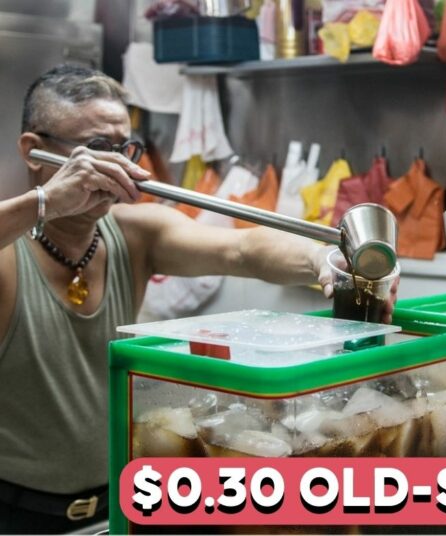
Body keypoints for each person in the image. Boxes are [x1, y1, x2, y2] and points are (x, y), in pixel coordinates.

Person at [0, 65, 396, 532]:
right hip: (19, 515)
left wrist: (321, 258)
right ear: (33, 150)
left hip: (124, 504)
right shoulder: (10, 254)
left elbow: (242, 249)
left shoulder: (135, 233)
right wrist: (46, 201)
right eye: (96, 150)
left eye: (125, 148)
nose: (117, 165)